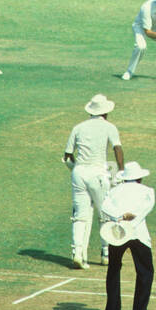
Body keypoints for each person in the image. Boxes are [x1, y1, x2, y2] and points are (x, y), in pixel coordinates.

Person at [63, 94, 124, 269]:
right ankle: (106, 254)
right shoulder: (109, 127)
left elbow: (67, 155)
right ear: (105, 112)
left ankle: (77, 253)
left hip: (79, 172)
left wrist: (75, 168)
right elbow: (117, 149)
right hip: (99, 173)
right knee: (105, 214)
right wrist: (120, 171)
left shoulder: (78, 127)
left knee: (79, 216)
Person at [100, 161, 156, 310]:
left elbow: (105, 206)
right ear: (139, 178)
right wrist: (131, 220)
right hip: (138, 234)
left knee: (113, 270)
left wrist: (119, 217)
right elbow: (147, 207)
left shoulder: (114, 191)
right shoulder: (147, 191)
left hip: (117, 233)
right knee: (145, 272)